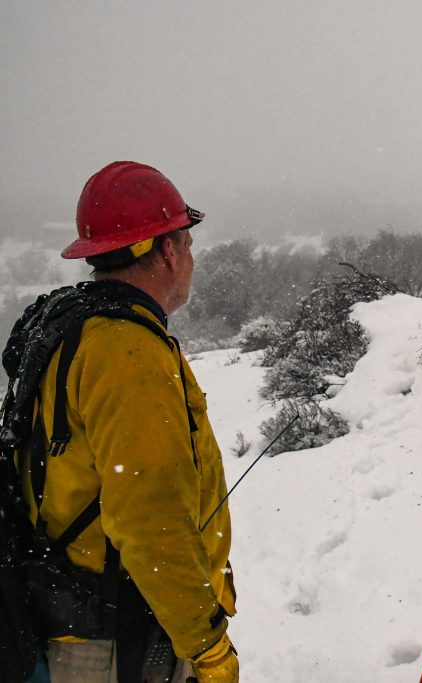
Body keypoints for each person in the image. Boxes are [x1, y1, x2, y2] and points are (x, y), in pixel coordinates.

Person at [23, 161, 237, 682]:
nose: (190, 258)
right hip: (118, 644)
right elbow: (152, 521)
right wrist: (208, 648)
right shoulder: (128, 353)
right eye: (186, 242)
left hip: (78, 620)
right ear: (167, 251)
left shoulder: (78, 328)